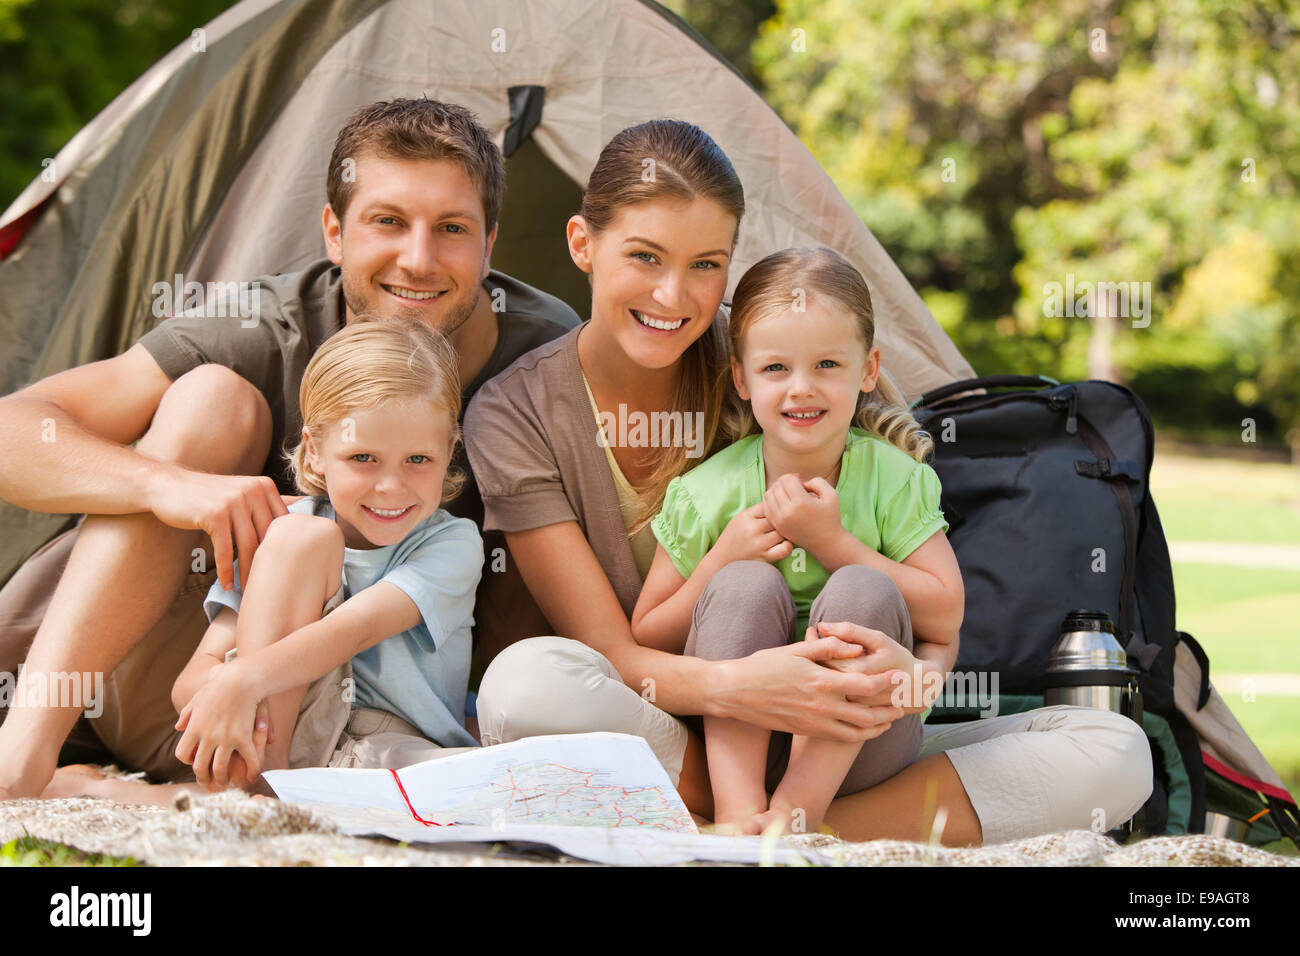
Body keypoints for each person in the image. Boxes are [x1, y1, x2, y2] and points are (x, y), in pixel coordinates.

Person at [466, 119, 1153, 844]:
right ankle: (775, 822)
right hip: (678, 728)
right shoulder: (519, 412)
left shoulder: (784, 342)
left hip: (849, 731)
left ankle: (768, 832)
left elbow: (928, 602)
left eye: (706, 264)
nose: (674, 295)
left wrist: (913, 676)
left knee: (1113, 751)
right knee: (523, 688)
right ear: (584, 245)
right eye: (644, 256)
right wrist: (750, 685)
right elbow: (618, 650)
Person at [0, 97, 578, 800]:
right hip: (182, 691)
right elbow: (18, 428)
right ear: (335, 232)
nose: (418, 259)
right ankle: (24, 753)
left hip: (373, 718)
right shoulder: (267, 324)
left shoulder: (545, 345)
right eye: (387, 222)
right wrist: (163, 484)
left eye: (450, 228)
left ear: (490, 242)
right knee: (212, 398)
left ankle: (199, 795)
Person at [631, 247, 960, 834]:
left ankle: (796, 814)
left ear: (867, 370)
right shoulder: (707, 492)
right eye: (776, 368)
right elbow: (649, 633)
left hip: (860, 746)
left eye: (827, 365)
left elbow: (945, 614)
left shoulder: (896, 479)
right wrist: (721, 559)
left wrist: (832, 542)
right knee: (743, 583)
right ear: (741, 377)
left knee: (862, 584)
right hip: (737, 741)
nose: (801, 389)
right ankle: (739, 814)